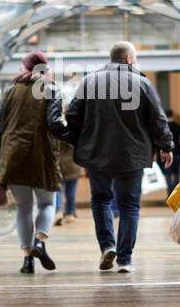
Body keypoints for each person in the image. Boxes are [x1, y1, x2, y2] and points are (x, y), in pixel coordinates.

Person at [47, 41, 172, 275]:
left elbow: (73, 115)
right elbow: (157, 118)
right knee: (129, 206)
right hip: (132, 156)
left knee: (101, 200)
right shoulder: (142, 83)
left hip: (97, 154)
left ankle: (107, 246)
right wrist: (166, 145)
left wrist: (81, 139)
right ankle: (125, 259)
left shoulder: (89, 82)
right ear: (128, 59)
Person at [0, 51, 62, 273]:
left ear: (26, 67)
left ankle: (27, 260)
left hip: (13, 155)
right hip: (41, 156)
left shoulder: (10, 91)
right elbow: (54, 123)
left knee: (23, 208)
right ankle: (40, 241)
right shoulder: (51, 89)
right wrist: (72, 137)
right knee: (47, 204)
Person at [55, 139, 83, 226]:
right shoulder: (74, 133)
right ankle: (69, 214)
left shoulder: (57, 133)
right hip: (73, 166)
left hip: (59, 165)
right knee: (70, 192)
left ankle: (58, 211)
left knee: (57, 190)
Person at [163, 108, 180, 195]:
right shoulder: (179, 126)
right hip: (177, 152)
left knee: (168, 174)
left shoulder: (164, 127)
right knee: (177, 172)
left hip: (167, 152)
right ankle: (176, 194)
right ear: (173, 115)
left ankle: (169, 193)